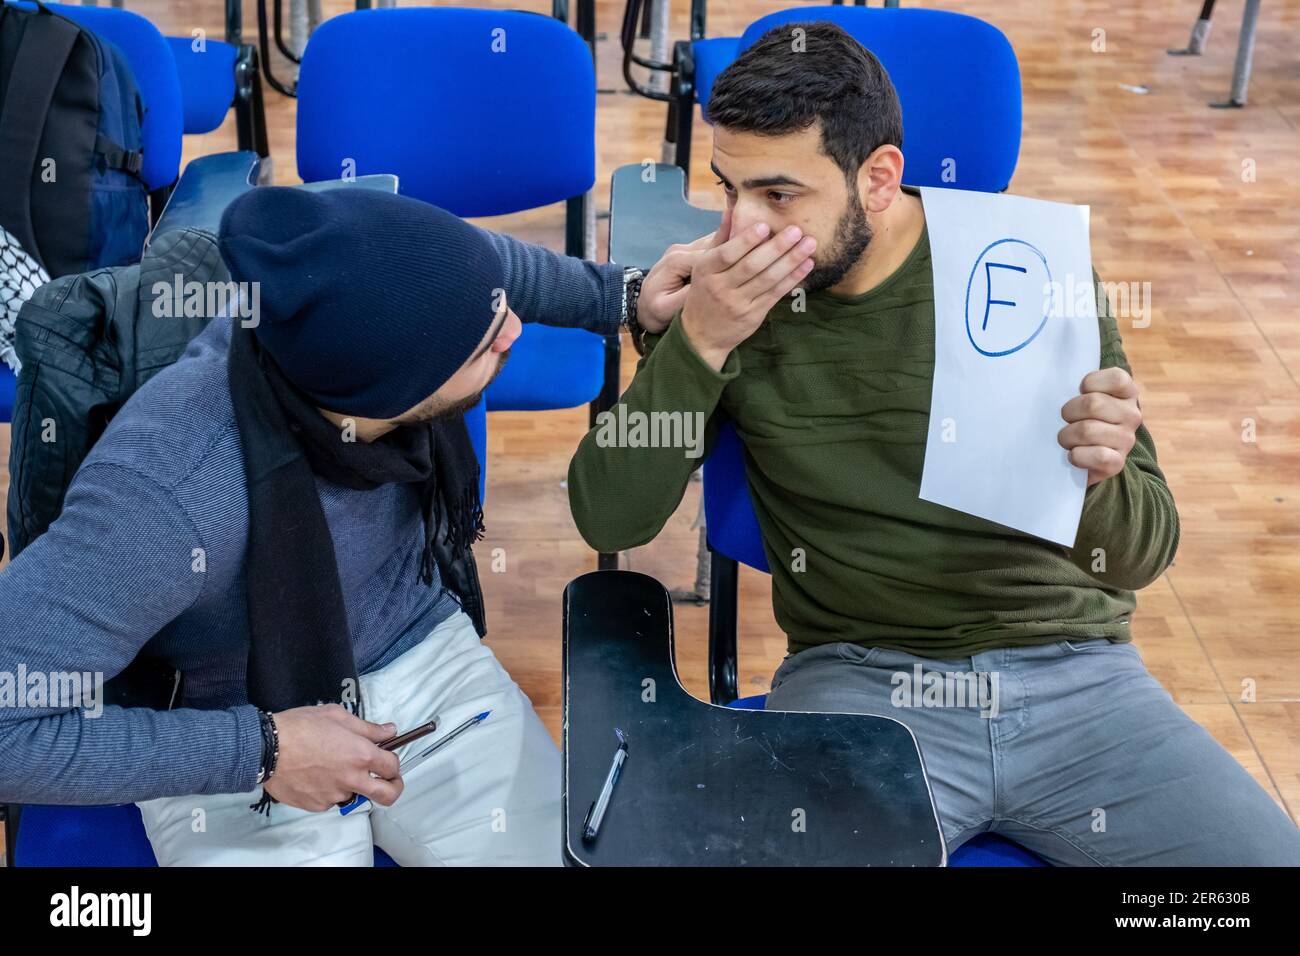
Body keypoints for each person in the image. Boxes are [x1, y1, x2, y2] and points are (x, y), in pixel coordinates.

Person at [567, 22, 1300, 865]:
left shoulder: (1027, 269)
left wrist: (1100, 478)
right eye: (729, 190)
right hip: (860, 682)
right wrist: (695, 347)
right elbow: (608, 515)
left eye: (779, 195)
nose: (744, 229)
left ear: (879, 179)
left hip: (1077, 677)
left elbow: (1144, 554)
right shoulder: (727, 300)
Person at [0, 184, 687, 866]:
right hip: (229, 723)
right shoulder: (163, 493)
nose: (512, 330)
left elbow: (483, 271)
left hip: (422, 666)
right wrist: (262, 750)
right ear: (383, 397)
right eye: (481, 344)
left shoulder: (364, 286)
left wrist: (623, 297)